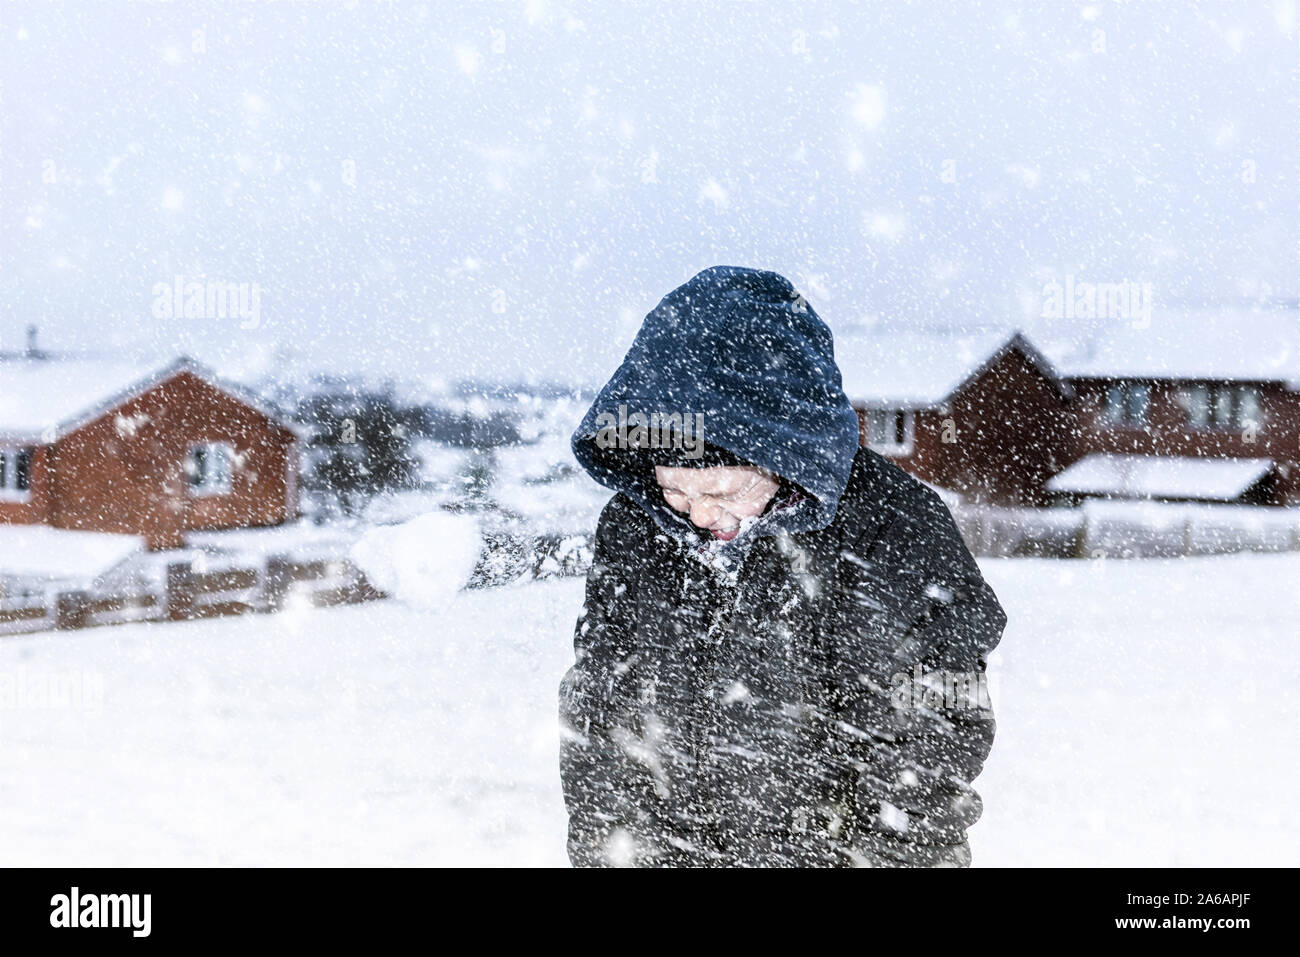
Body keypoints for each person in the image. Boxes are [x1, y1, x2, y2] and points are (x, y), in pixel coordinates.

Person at [558, 265, 1008, 867]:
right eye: (678, 493)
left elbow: (934, 738)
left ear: (779, 453)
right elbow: (601, 712)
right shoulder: (635, 527)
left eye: (723, 492)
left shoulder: (893, 529)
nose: (702, 518)